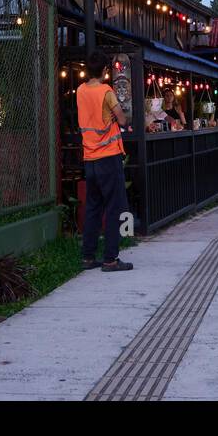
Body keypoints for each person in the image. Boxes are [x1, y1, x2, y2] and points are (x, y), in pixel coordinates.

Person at [77, 50, 134, 271]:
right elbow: (122, 118)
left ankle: (88, 257)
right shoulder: (106, 91)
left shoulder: (80, 91)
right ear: (104, 71)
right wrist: (115, 115)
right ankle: (111, 258)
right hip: (108, 157)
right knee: (113, 207)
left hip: (89, 157)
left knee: (93, 207)